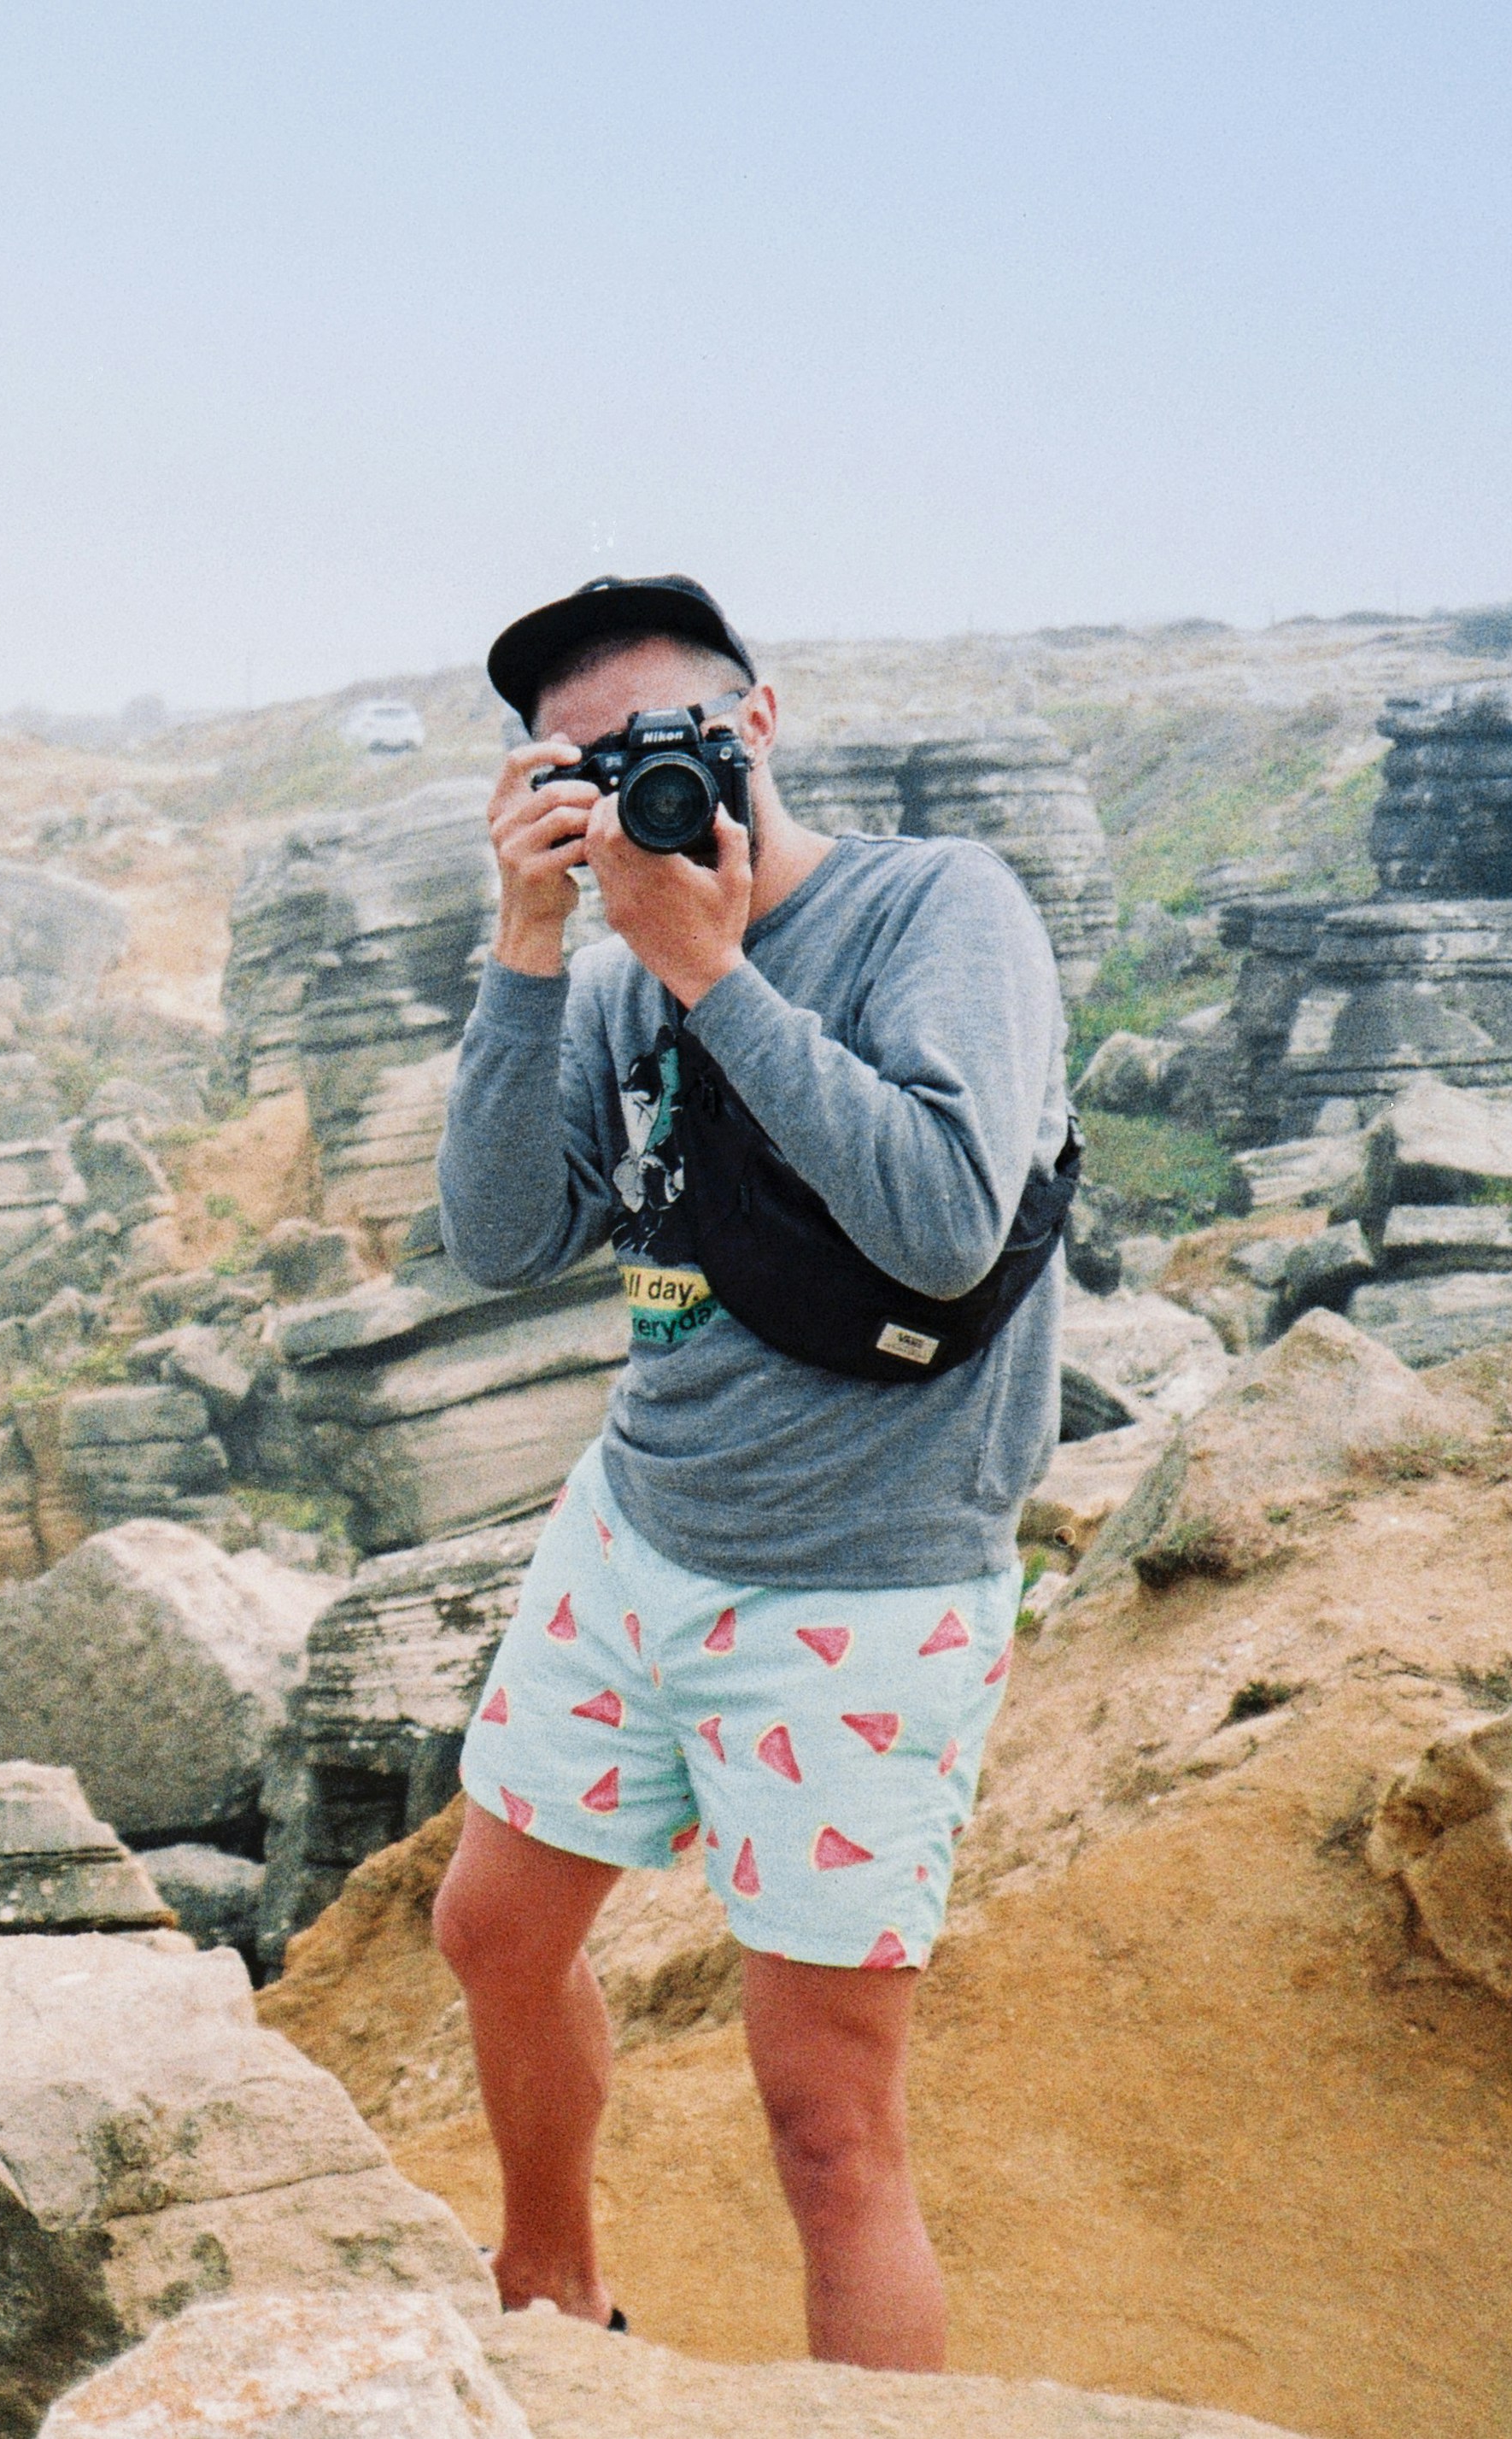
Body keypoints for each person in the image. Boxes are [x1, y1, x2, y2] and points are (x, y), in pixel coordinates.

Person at [428, 575, 1070, 2372]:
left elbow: (946, 1228)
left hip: (865, 1585)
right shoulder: (613, 981)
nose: (638, 780)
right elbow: (496, 1236)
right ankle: (556, 2304)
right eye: (585, 757)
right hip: (635, 1531)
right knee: (490, 1928)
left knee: (825, 2118)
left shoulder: (939, 909)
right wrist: (531, 944)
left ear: (758, 726)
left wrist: (705, 959)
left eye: (666, 740)